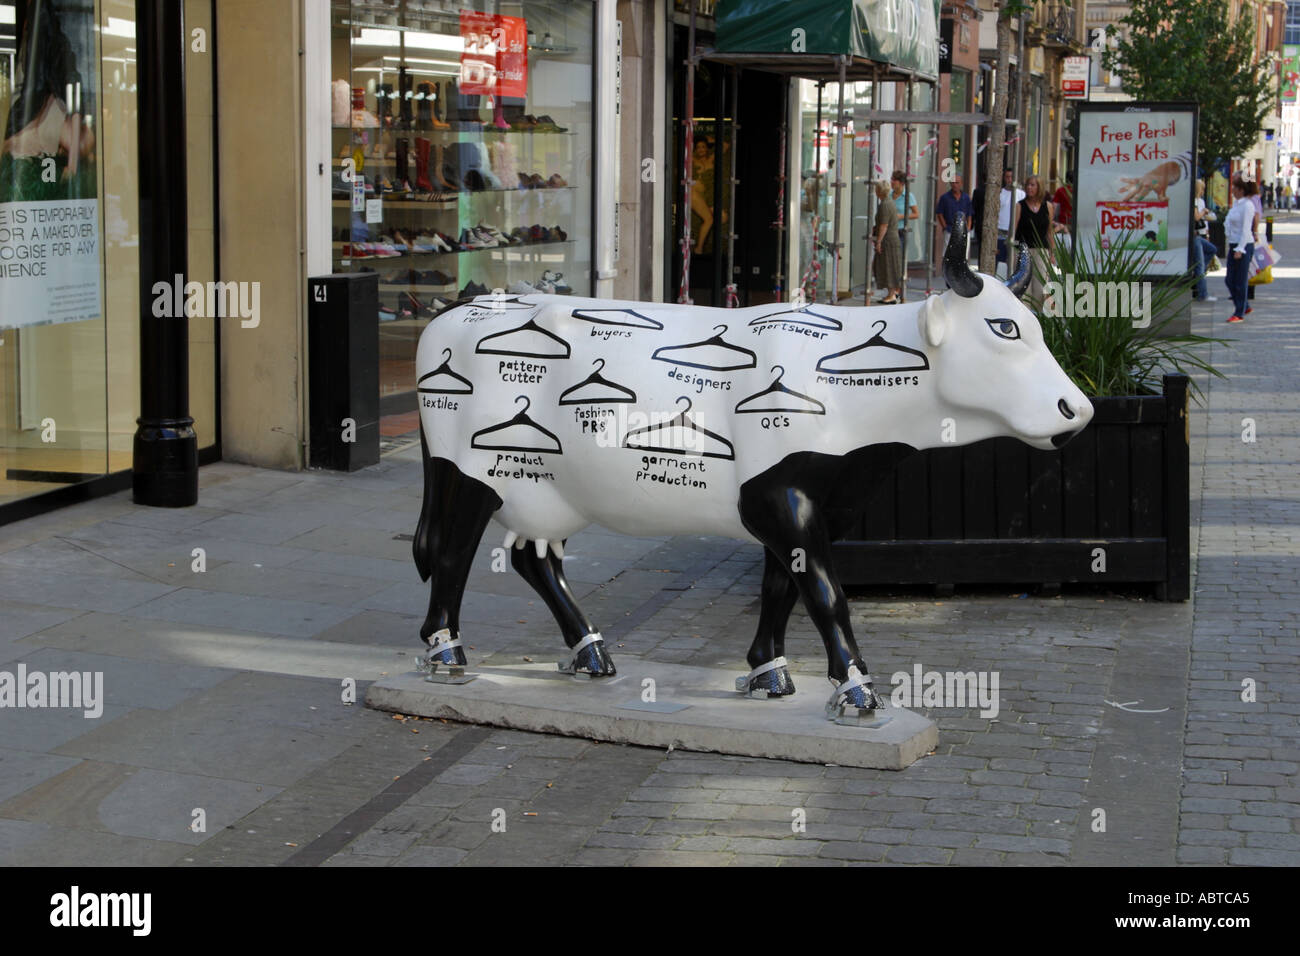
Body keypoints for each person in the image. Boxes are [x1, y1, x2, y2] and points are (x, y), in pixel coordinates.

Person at [1013, 174, 1055, 301]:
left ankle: (1038, 314)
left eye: (1033, 185)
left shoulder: (1048, 207)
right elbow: (1014, 230)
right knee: (1024, 285)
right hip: (1024, 250)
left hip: (1041, 250)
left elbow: (1049, 231)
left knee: (1041, 284)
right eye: (1028, 185)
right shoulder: (1020, 206)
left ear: (1039, 187)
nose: (1029, 188)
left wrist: (1052, 253)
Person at [1223, 178, 1255, 323]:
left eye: (1234, 188)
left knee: (1239, 281)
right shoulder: (1236, 204)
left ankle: (1239, 312)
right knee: (1229, 279)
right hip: (1233, 243)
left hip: (1243, 245)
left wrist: (1240, 249)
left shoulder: (1247, 206)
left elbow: (1246, 229)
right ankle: (1244, 306)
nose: (1233, 191)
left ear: (1241, 190)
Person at [871, 179, 903, 303]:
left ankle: (891, 295)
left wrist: (878, 241)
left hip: (888, 240)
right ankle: (893, 292)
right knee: (890, 265)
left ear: (879, 191)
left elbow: (884, 225)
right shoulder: (889, 202)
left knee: (888, 265)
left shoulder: (885, 204)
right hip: (891, 238)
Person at [1192, 178, 1218, 302]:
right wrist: (1203, 212)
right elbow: (1196, 217)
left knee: (1212, 249)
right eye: (1202, 188)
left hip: (1198, 234)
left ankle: (1197, 274)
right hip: (1193, 236)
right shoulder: (1194, 201)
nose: (1203, 191)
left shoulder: (1199, 201)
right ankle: (1203, 293)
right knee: (1200, 265)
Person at [934, 172, 973, 254]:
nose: (954, 185)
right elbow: (939, 213)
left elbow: (969, 214)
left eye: (957, 182)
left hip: (963, 231)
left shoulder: (966, 198)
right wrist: (945, 227)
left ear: (961, 183)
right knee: (948, 254)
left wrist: (968, 228)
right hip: (950, 230)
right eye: (952, 182)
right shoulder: (945, 198)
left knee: (963, 255)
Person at [997, 168, 1025, 277]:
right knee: (1001, 262)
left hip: (1016, 233)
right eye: (1007, 177)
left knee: (1014, 262)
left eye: (1011, 177)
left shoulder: (1022, 195)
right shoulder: (1000, 194)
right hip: (1001, 233)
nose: (1009, 180)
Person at [890, 169, 918, 260]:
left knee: (898, 257)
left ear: (901, 183)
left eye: (894, 180)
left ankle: (899, 274)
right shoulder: (889, 195)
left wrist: (901, 216)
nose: (892, 182)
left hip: (900, 231)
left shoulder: (908, 196)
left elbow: (916, 214)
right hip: (888, 230)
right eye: (891, 179)